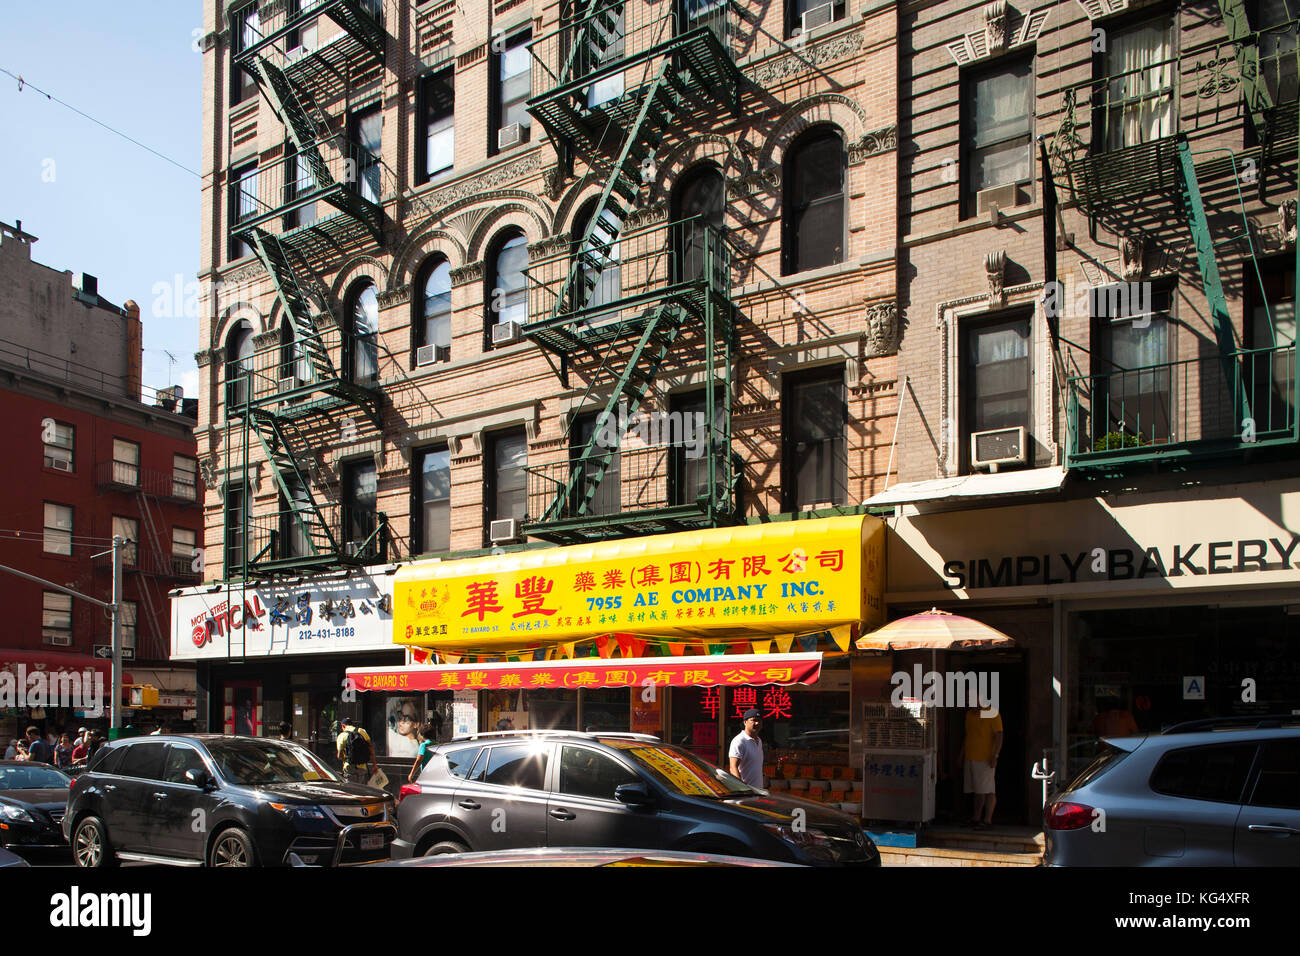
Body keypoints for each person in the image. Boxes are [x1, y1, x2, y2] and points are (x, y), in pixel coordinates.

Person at [959, 702, 1003, 830]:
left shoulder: (992, 713)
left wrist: (995, 755)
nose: (968, 701)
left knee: (987, 790)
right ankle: (976, 818)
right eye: (966, 698)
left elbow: (999, 735)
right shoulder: (969, 714)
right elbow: (968, 735)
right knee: (976, 790)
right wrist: (962, 755)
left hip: (985, 759)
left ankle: (987, 820)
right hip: (970, 757)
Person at [728, 709, 765, 789]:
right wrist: (741, 788)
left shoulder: (759, 741)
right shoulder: (739, 741)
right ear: (745, 722)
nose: (757, 723)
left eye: (759, 720)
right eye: (754, 720)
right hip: (745, 794)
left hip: (757, 792)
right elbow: (733, 768)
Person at [336, 717, 376, 783]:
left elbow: (339, 756)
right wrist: (374, 765)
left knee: (351, 789)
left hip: (349, 767)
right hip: (362, 766)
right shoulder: (361, 731)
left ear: (343, 725)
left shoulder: (342, 736)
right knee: (360, 789)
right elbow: (371, 748)